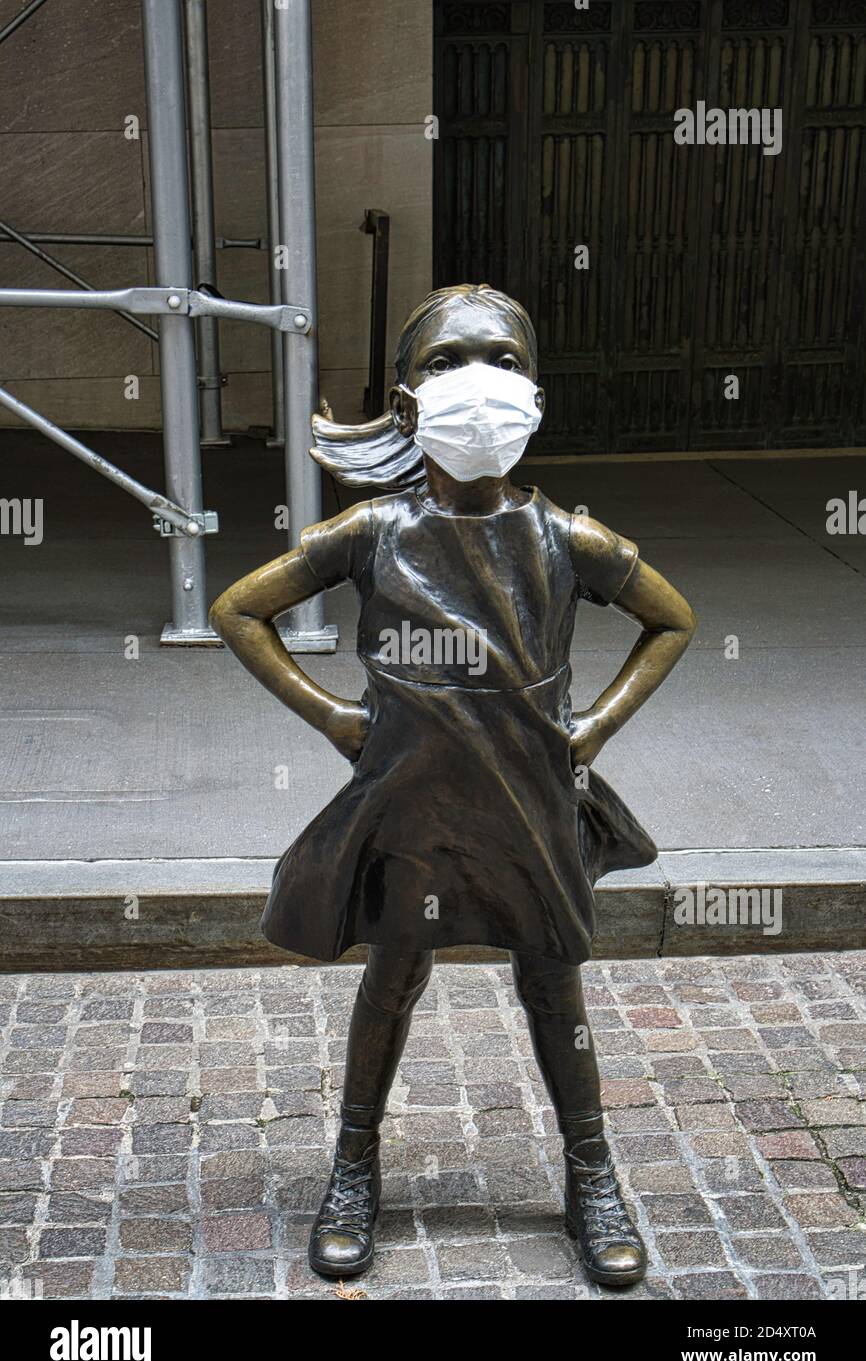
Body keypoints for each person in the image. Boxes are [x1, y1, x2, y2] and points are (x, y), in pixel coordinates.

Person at [210, 284, 697, 1288]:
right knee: (390, 977)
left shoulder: (568, 538)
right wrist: (341, 720)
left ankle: (590, 1172)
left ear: (534, 398)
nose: (478, 383)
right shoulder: (375, 529)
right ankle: (353, 1166)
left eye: (502, 361)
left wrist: (591, 727)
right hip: (411, 807)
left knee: (551, 983)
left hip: (529, 801)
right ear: (405, 402)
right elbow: (238, 608)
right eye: (447, 362)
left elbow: (673, 619)